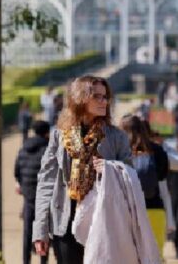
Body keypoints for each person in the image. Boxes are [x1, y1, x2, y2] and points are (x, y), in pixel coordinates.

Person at [33, 76, 131, 264]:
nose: (104, 101)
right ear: (81, 98)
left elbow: (131, 177)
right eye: (97, 97)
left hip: (102, 222)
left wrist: (110, 169)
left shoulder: (116, 137)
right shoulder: (60, 136)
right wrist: (40, 230)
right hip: (65, 222)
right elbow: (46, 181)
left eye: (105, 97)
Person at [120, 114, 170, 257]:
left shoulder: (120, 151)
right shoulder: (157, 150)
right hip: (155, 209)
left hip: (126, 211)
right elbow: (162, 175)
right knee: (154, 256)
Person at [15, 120, 54, 264]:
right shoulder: (48, 150)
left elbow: (17, 171)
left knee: (27, 232)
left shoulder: (23, 149)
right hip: (44, 198)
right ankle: (43, 260)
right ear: (46, 133)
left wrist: (23, 186)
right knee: (44, 230)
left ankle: (26, 261)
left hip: (28, 195)